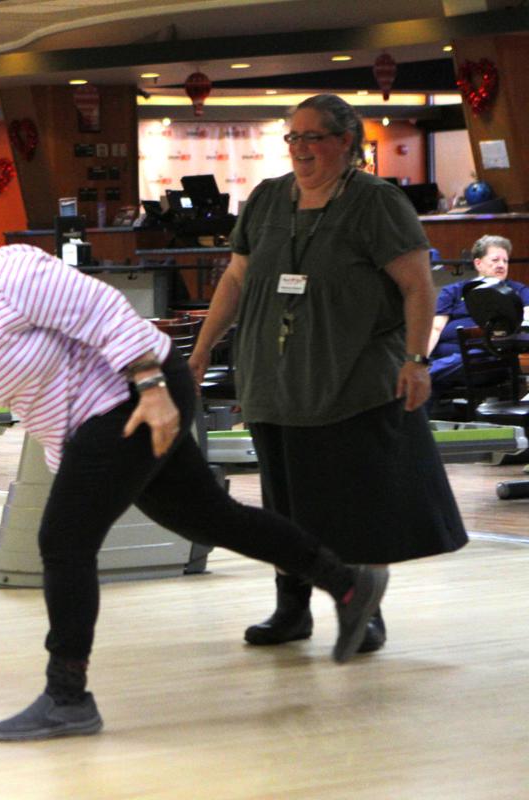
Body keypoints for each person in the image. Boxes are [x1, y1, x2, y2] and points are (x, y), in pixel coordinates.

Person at [0, 210, 388, 742]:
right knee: (212, 517)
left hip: (134, 391)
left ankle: (68, 698)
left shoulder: (9, 273)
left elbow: (106, 311)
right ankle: (347, 583)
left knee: (63, 539)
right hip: (97, 416)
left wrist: (152, 389)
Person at [189, 94, 467, 656]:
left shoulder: (376, 203)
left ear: (346, 142)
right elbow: (236, 281)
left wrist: (417, 361)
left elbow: (417, 286)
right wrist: (199, 353)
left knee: (355, 504)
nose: (301, 149)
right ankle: (291, 610)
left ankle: (365, 611)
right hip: (275, 379)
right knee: (283, 506)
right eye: (293, 138)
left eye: (313, 137)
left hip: (354, 381)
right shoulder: (268, 199)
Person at [427, 235, 529, 395]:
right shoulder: (454, 290)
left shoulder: (517, 290)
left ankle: (415, 376)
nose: (502, 265)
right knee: (425, 381)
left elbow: (527, 317)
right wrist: (421, 359)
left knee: (432, 373)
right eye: (495, 260)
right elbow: (436, 328)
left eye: (505, 261)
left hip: (489, 355)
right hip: (445, 355)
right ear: (478, 263)